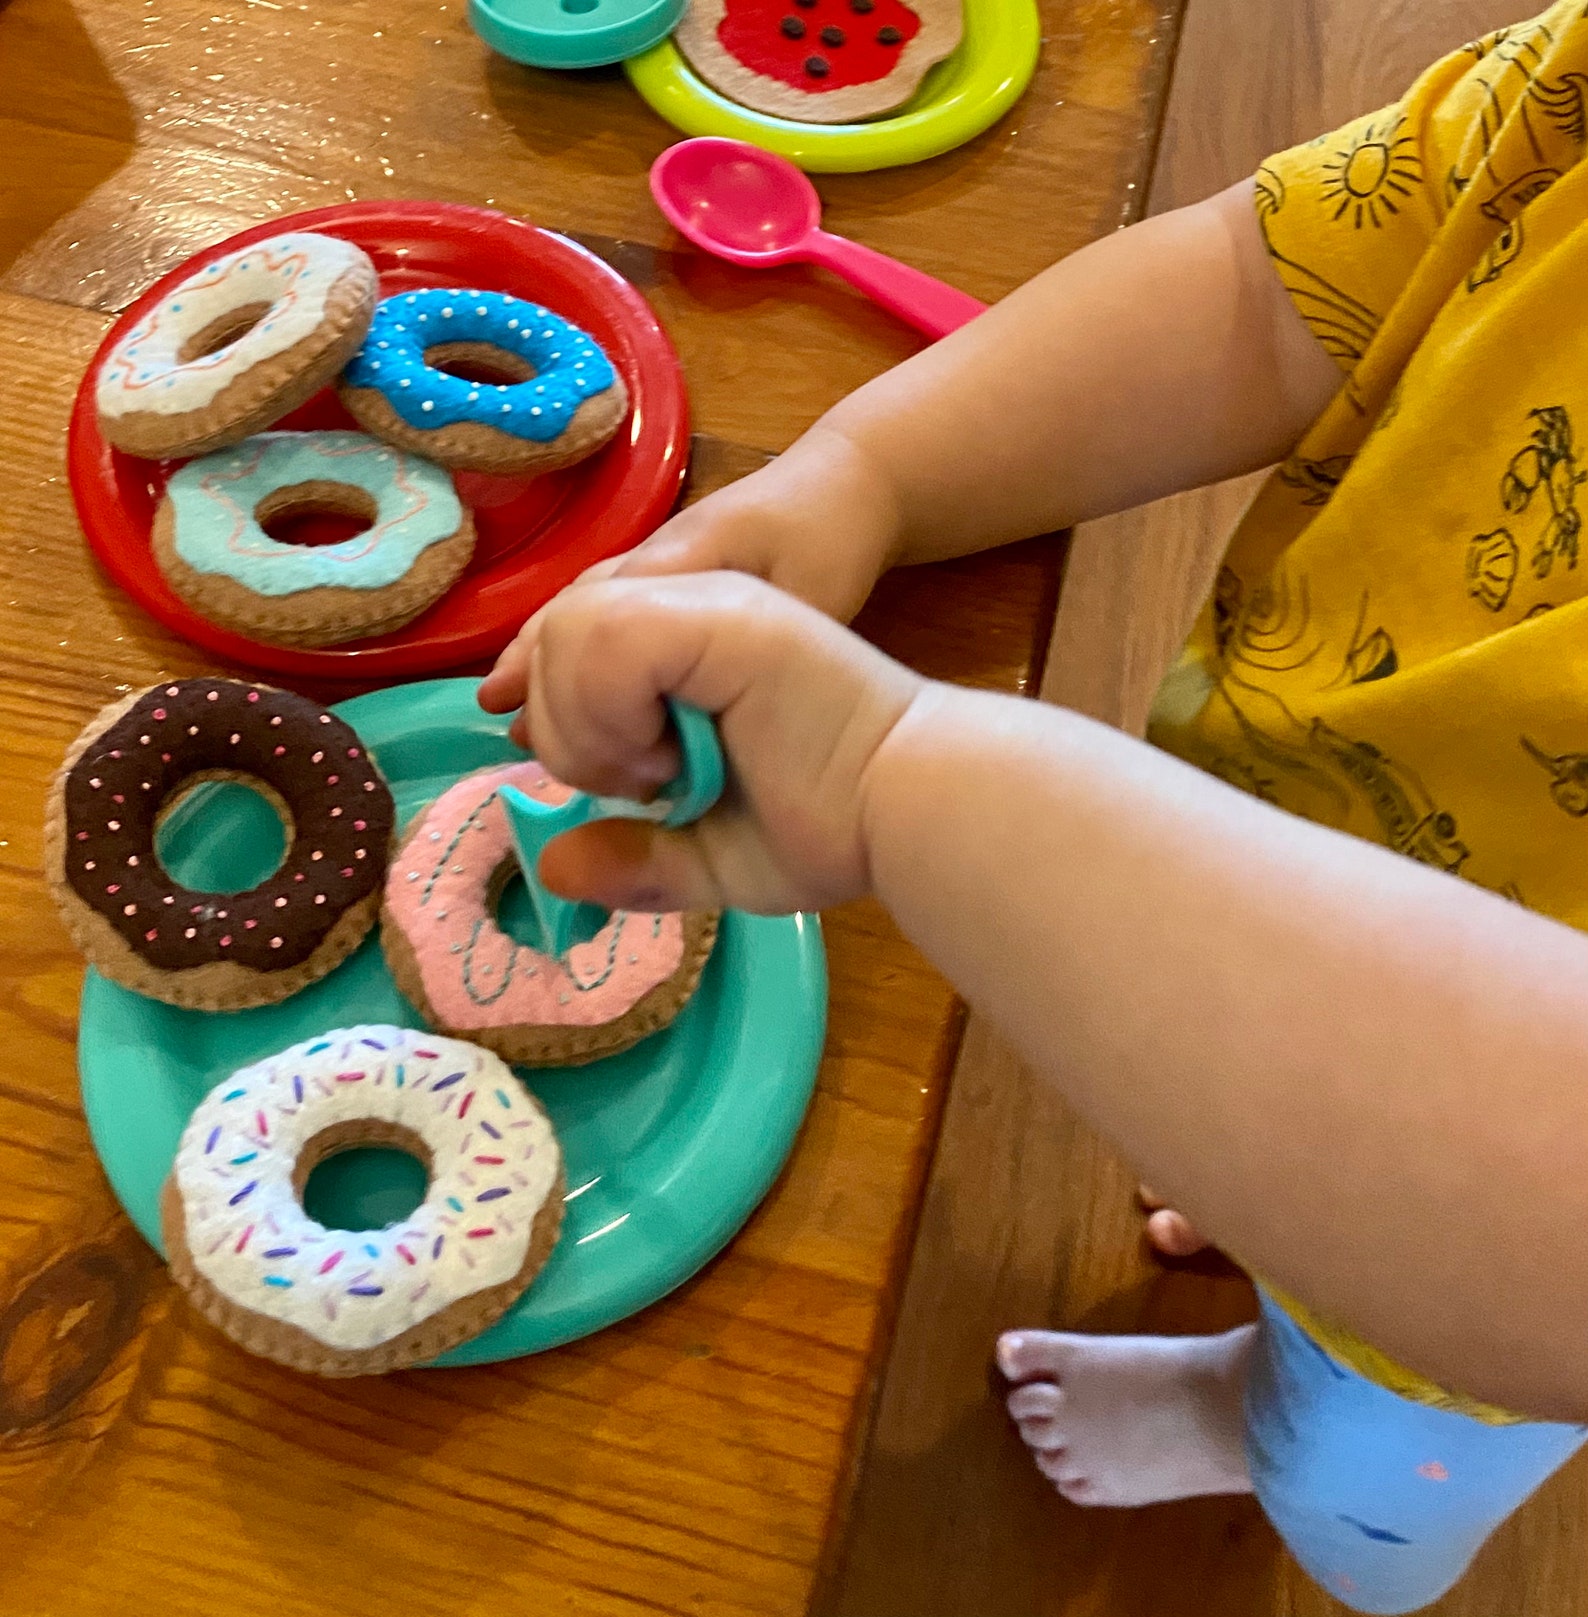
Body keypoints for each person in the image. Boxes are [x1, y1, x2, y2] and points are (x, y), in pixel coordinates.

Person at [479, 6, 1588, 1609]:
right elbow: (1270, 292)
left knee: (1368, 1472)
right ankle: (1281, 1184)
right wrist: (870, 471)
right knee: (1266, 1127)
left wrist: (893, 781)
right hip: (1261, 889)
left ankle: (1266, 1422)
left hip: (1473, 1312)